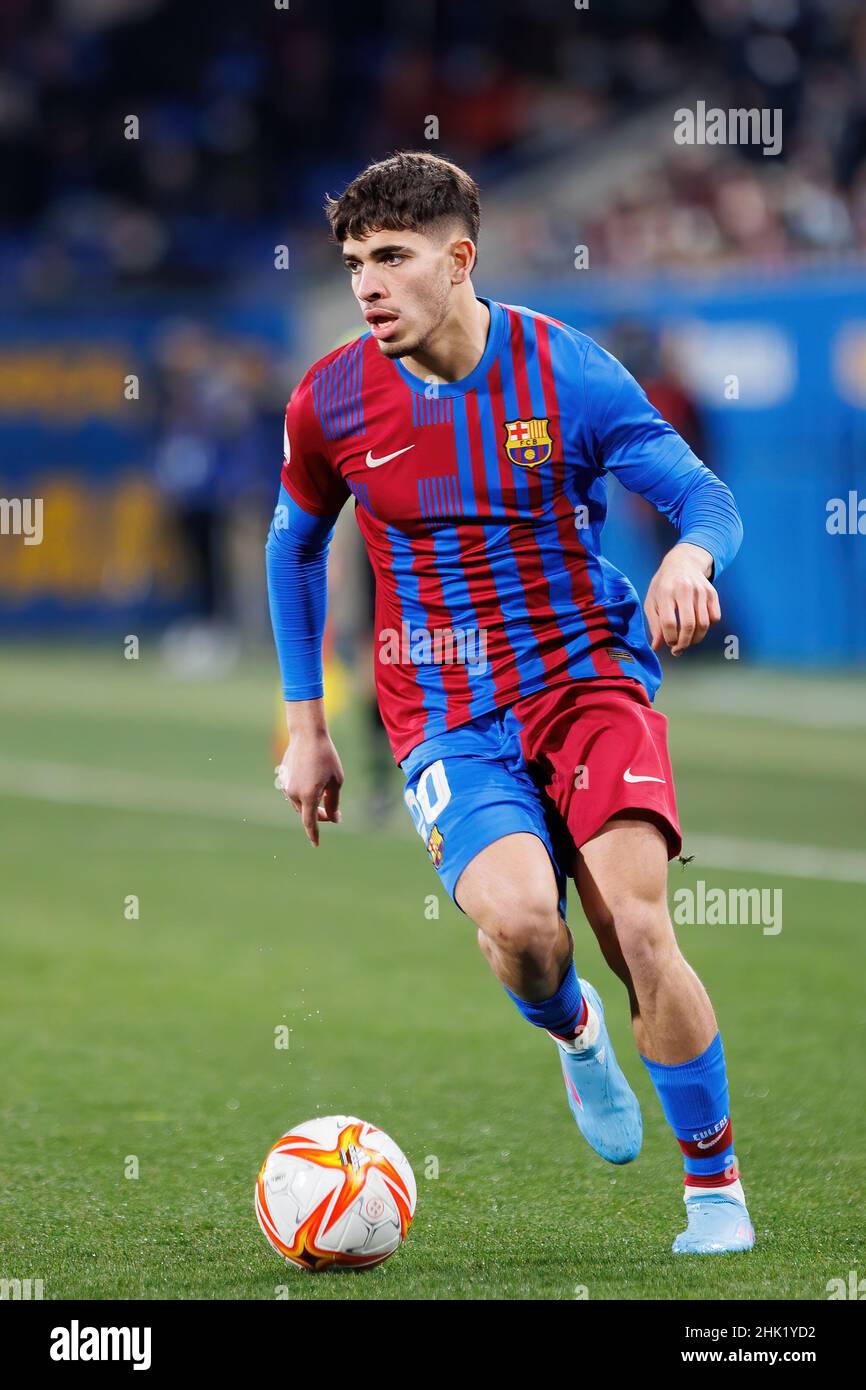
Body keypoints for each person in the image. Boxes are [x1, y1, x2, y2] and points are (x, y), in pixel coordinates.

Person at [266, 151, 751, 1255]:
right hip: (439, 703)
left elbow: (701, 495)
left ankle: (713, 1192)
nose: (367, 286)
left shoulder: (564, 371)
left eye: (390, 259)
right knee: (529, 928)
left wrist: (688, 558)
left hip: (585, 681)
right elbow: (293, 543)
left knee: (634, 924)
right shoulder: (332, 396)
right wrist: (307, 728)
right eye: (353, 264)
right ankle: (574, 1033)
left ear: (458, 257)